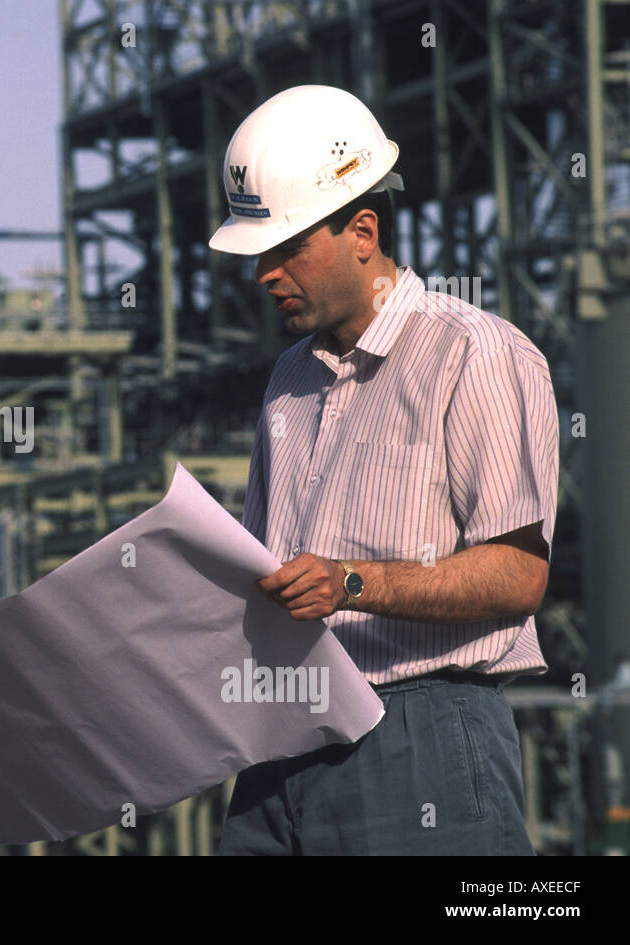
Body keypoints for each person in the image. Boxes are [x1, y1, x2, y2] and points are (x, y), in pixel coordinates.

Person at [207, 86, 559, 854]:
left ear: (362, 230)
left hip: (419, 736)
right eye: (257, 254)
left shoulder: (475, 353)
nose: (265, 274)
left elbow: (518, 576)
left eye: (285, 247)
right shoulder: (287, 380)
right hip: (279, 737)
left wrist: (351, 582)